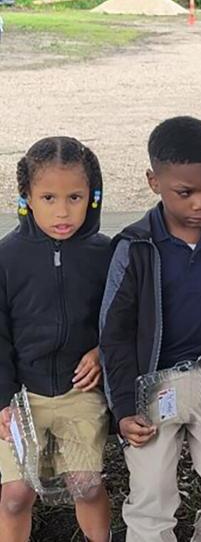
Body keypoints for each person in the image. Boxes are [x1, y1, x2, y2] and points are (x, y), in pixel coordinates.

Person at [99, 116, 201, 542]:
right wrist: (123, 410)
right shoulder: (135, 249)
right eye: (186, 192)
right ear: (154, 182)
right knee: (151, 485)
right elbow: (114, 335)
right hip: (153, 385)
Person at [0, 137, 112, 542]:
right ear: (26, 197)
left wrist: (102, 351)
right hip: (21, 397)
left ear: (93, 196)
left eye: (75, 197)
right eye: (48, 197)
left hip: (79, 393)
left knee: (85, 484)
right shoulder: (7, 257)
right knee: (15, 494)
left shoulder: (107, 254)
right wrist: (2, 399)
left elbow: (121, 320)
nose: (62, 211)